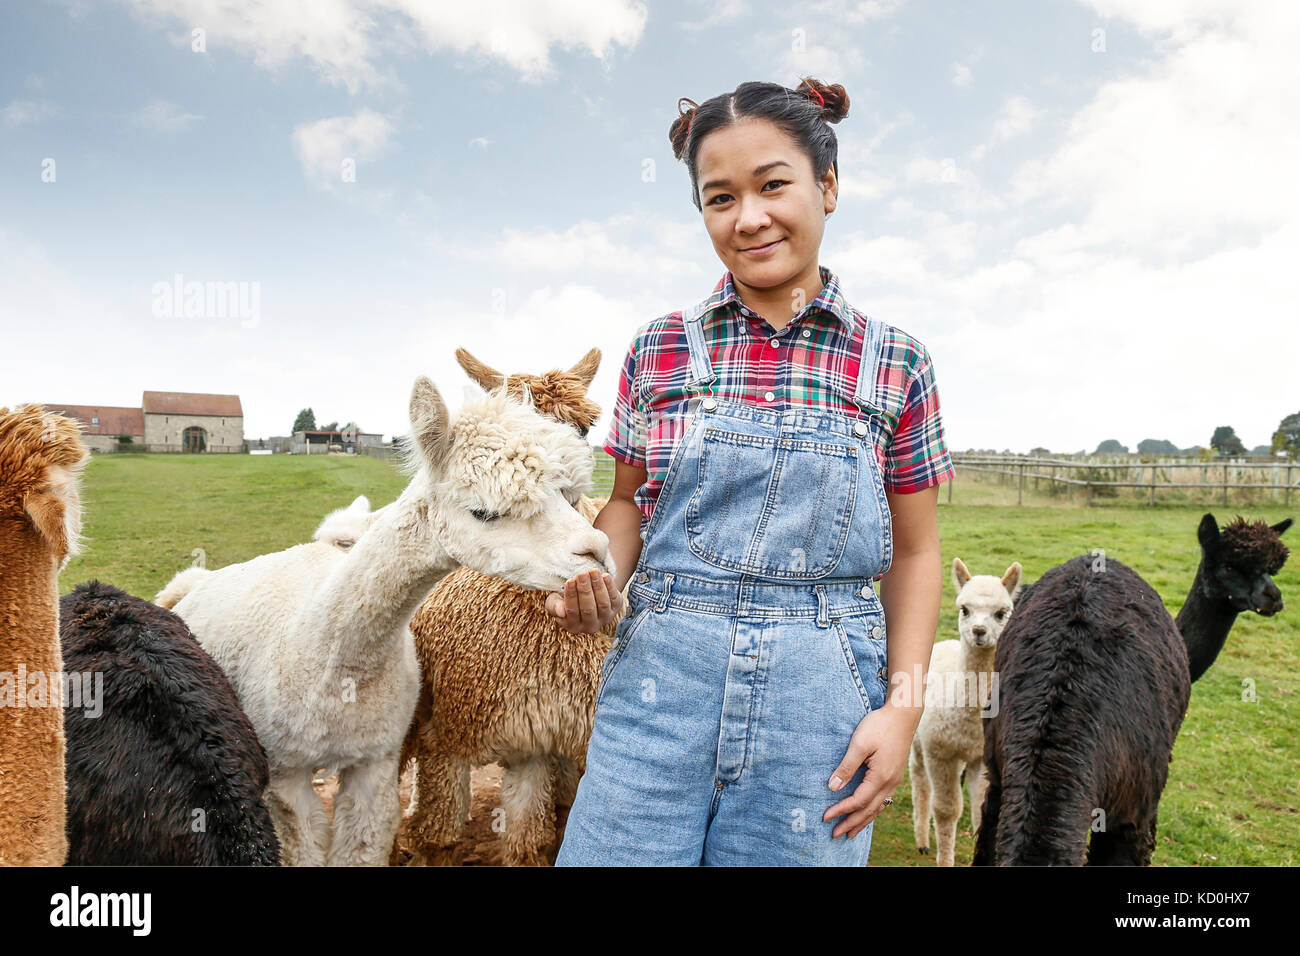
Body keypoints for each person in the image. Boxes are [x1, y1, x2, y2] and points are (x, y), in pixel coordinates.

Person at [543, 77, 955, 865]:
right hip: (658, 691)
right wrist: (597, 578)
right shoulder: (658, 345)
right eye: (719, 198)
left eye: (773, 185)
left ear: (827, 186)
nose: (749, 217)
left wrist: (902, 710)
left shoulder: (897, 361)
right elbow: (626, 505)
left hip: (822, 705)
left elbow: (916, 554)